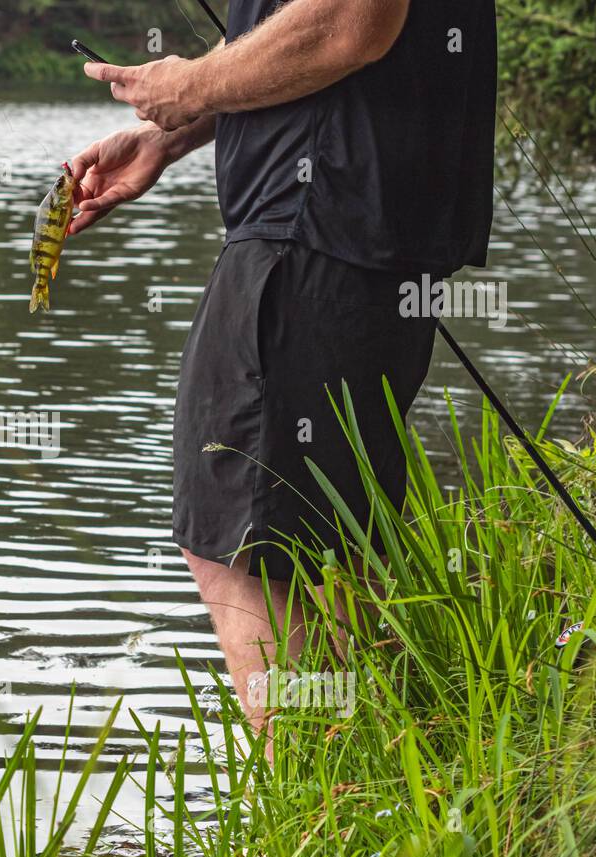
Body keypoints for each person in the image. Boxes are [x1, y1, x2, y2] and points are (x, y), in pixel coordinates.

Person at [67, 0, 495, 747]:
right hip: (358, 231)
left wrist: (195, 84)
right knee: (333, 543)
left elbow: (352, 24)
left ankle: (310, 812)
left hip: (309, 230)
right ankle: (373, 800)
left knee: (245, 538)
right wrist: (176, 129)